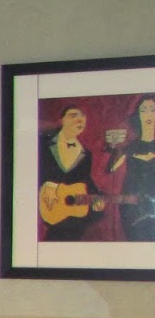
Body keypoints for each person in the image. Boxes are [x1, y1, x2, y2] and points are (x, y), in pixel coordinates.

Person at [37, 103, 103, 241]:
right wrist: (50, 185)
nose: (79, 120)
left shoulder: (86, 154)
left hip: (72, 211)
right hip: (44, 206)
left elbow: (86, 179)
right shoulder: (42, 142)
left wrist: (96, 197)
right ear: (61, 121)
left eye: (82, 117)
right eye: (73, 116)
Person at [119, 94, 155, 240]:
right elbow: (111, 169)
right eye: (144, 110)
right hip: (134, 212)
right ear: (138, 115)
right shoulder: (130, 147)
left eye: (152, 109)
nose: (148, 114)